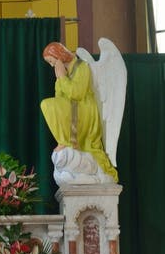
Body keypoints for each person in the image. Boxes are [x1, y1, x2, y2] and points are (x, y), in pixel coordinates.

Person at [40, 41, 118, 181]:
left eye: (52, 61)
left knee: (49, 104)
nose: (52, 65)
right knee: (46, 104)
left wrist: (62, 77)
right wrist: (61, 77)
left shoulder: (82, 66)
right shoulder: (60, 73)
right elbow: (59, 98)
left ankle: (67, 141)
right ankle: (64, 140)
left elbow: (77, 93)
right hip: (71, 108)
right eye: (49, 63)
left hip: (85, 110)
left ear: (59, 56)